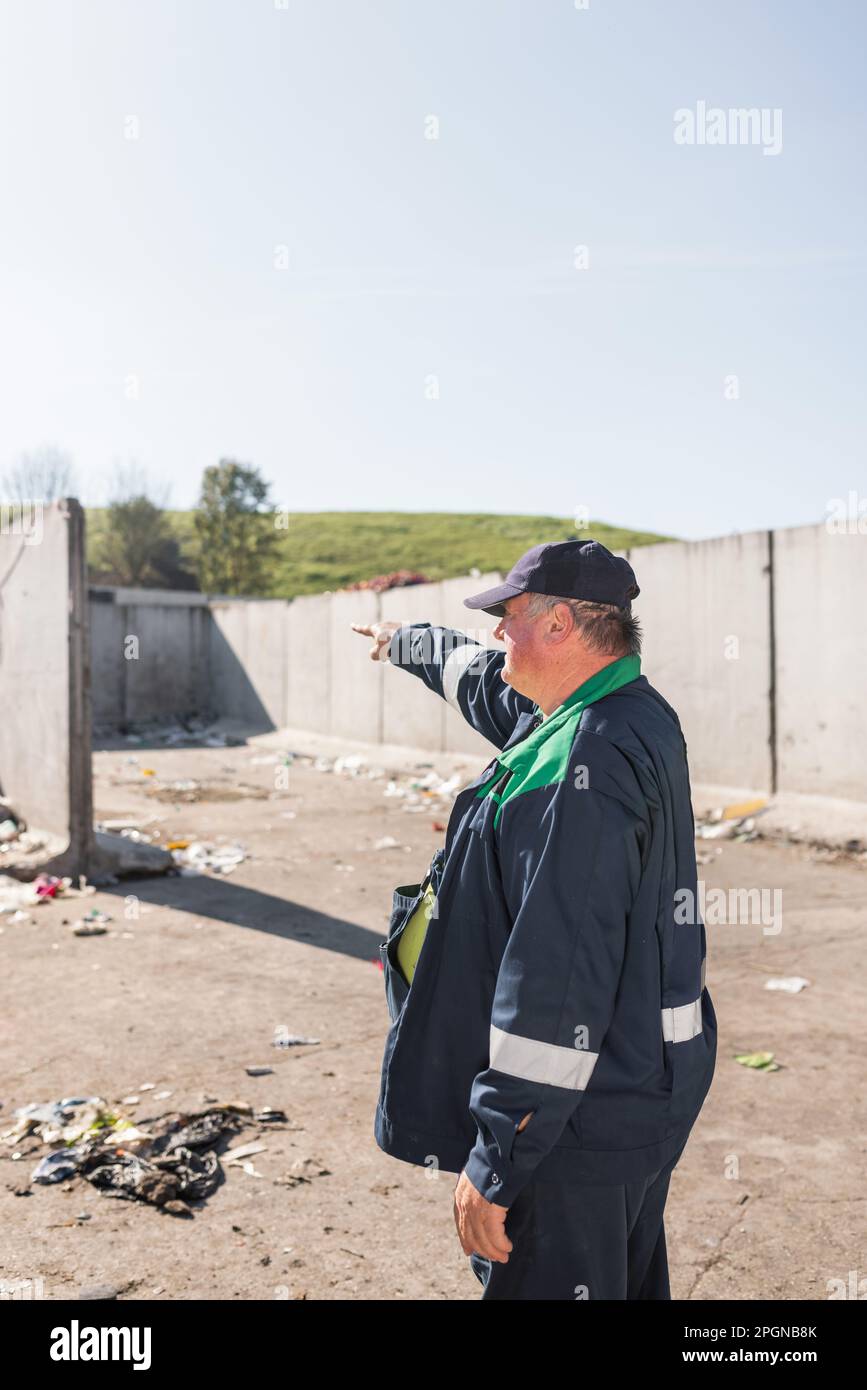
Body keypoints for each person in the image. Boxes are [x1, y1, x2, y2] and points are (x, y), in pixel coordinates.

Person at [351, 538, 717, 1300]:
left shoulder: (579, 763)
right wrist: (401, 643)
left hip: (575, 1125)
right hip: (639, 1089)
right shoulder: (614, 711)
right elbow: (477, 678)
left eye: (508, 617)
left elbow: (556, 983)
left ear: (560, 627)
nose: (495, 634)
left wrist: (496, 1160)